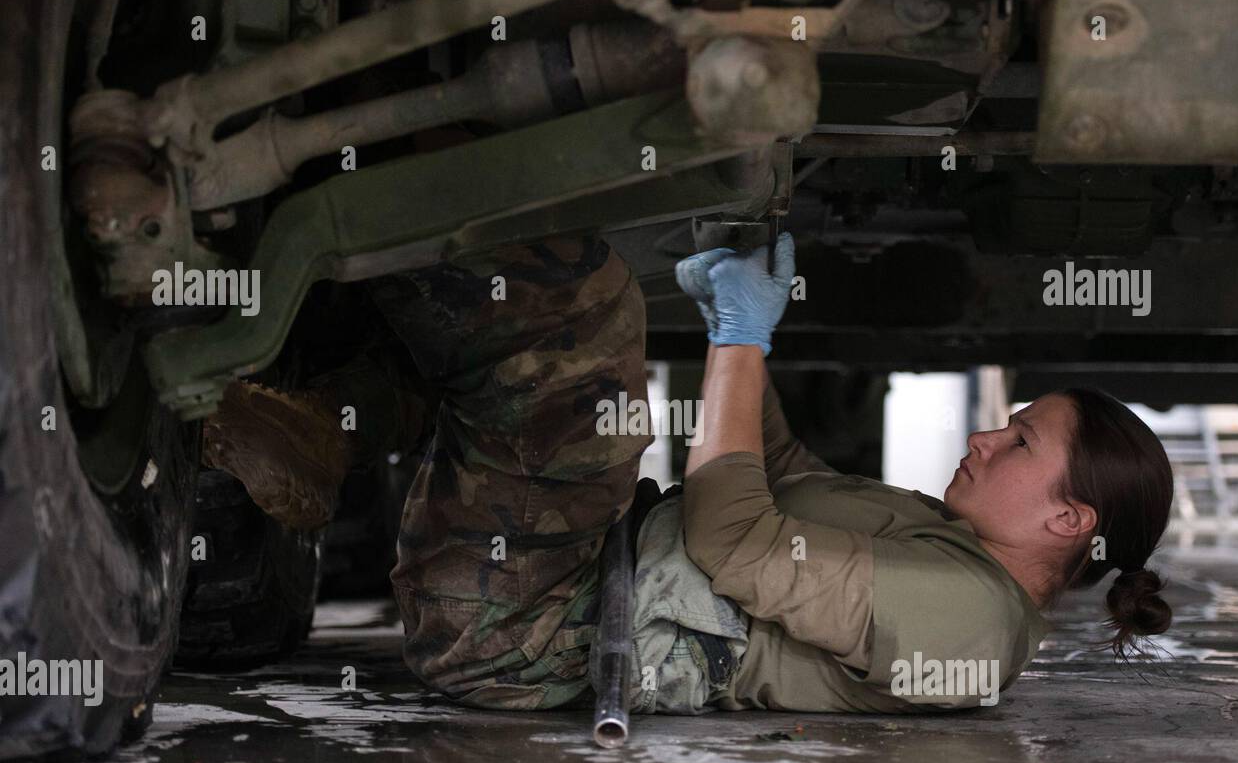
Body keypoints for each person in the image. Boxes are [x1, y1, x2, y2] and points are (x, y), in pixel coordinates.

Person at [203, 230, 1175, 714]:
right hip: (564, 575)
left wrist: (738, 338)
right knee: (498, 364)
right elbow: (782, 471)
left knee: (575, 312)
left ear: (1068, 520)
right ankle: (323, 421)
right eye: (1002, 425)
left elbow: (733, 538)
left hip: (526, 627)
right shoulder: (949, 545)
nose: (984, 441)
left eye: (1018, 445)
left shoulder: (970, 623)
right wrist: (744, 332)